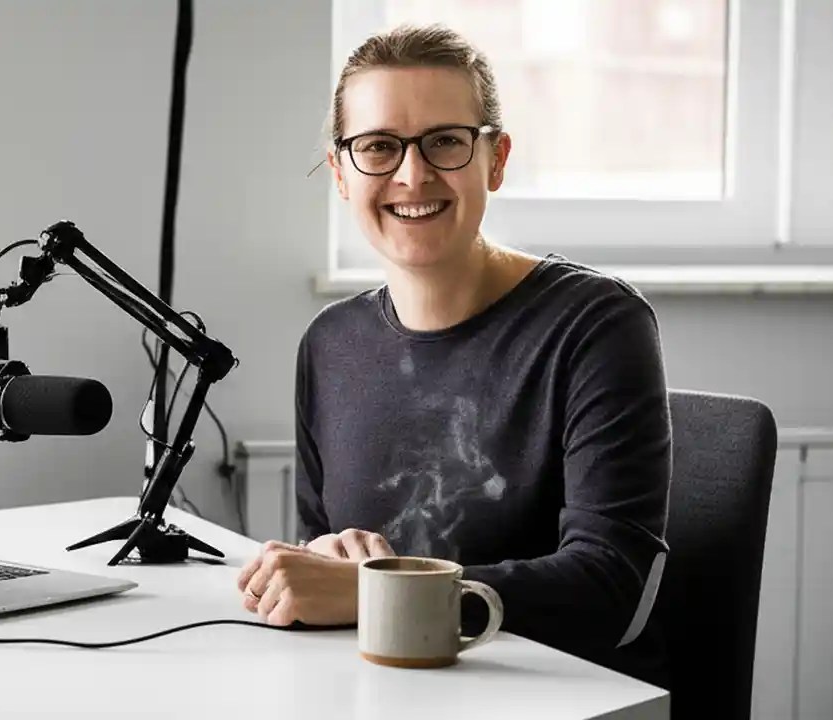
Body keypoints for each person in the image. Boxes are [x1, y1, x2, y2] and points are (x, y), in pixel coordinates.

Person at [236, 23, 672, 687]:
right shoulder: (330, 344)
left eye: (445, 141)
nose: (413, 175)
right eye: (379, 146)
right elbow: (326, 546)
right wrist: (325, 559)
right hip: (382, 691)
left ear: (494, 159)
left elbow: (610, 586)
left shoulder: (596, 324)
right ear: (341, 174)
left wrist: (372, 591)